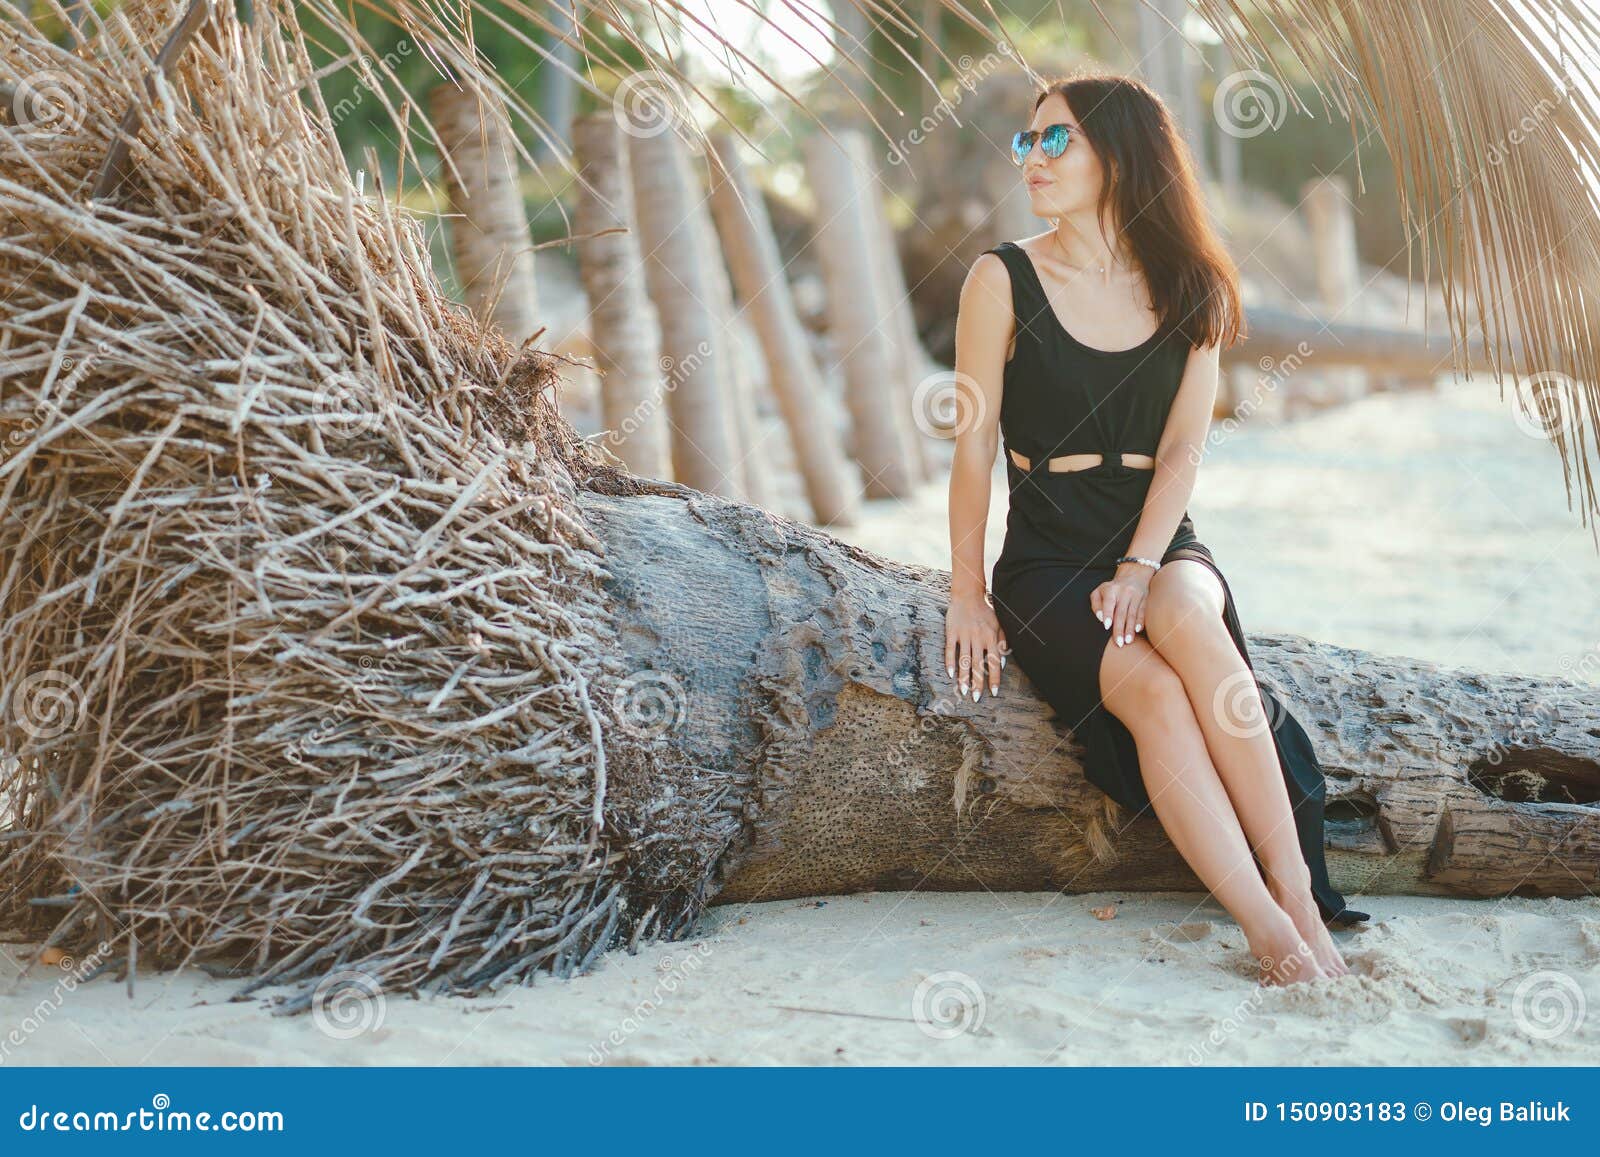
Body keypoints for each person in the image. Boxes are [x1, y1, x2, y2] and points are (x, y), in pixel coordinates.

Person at [943, 72, 1369, 987]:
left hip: (1162, 537)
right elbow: (973, 445)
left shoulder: (1192, 285)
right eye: (1026, 142)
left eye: (1056, 140)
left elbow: (1182, 451)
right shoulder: (1001, 279)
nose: (1033, 159)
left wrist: (1139, 561)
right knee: (1157, 697)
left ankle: (1296, 892)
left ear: (1121, 154)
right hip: (1050, 555)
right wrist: (966, 591)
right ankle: (1265, 928)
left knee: (1183, 606)